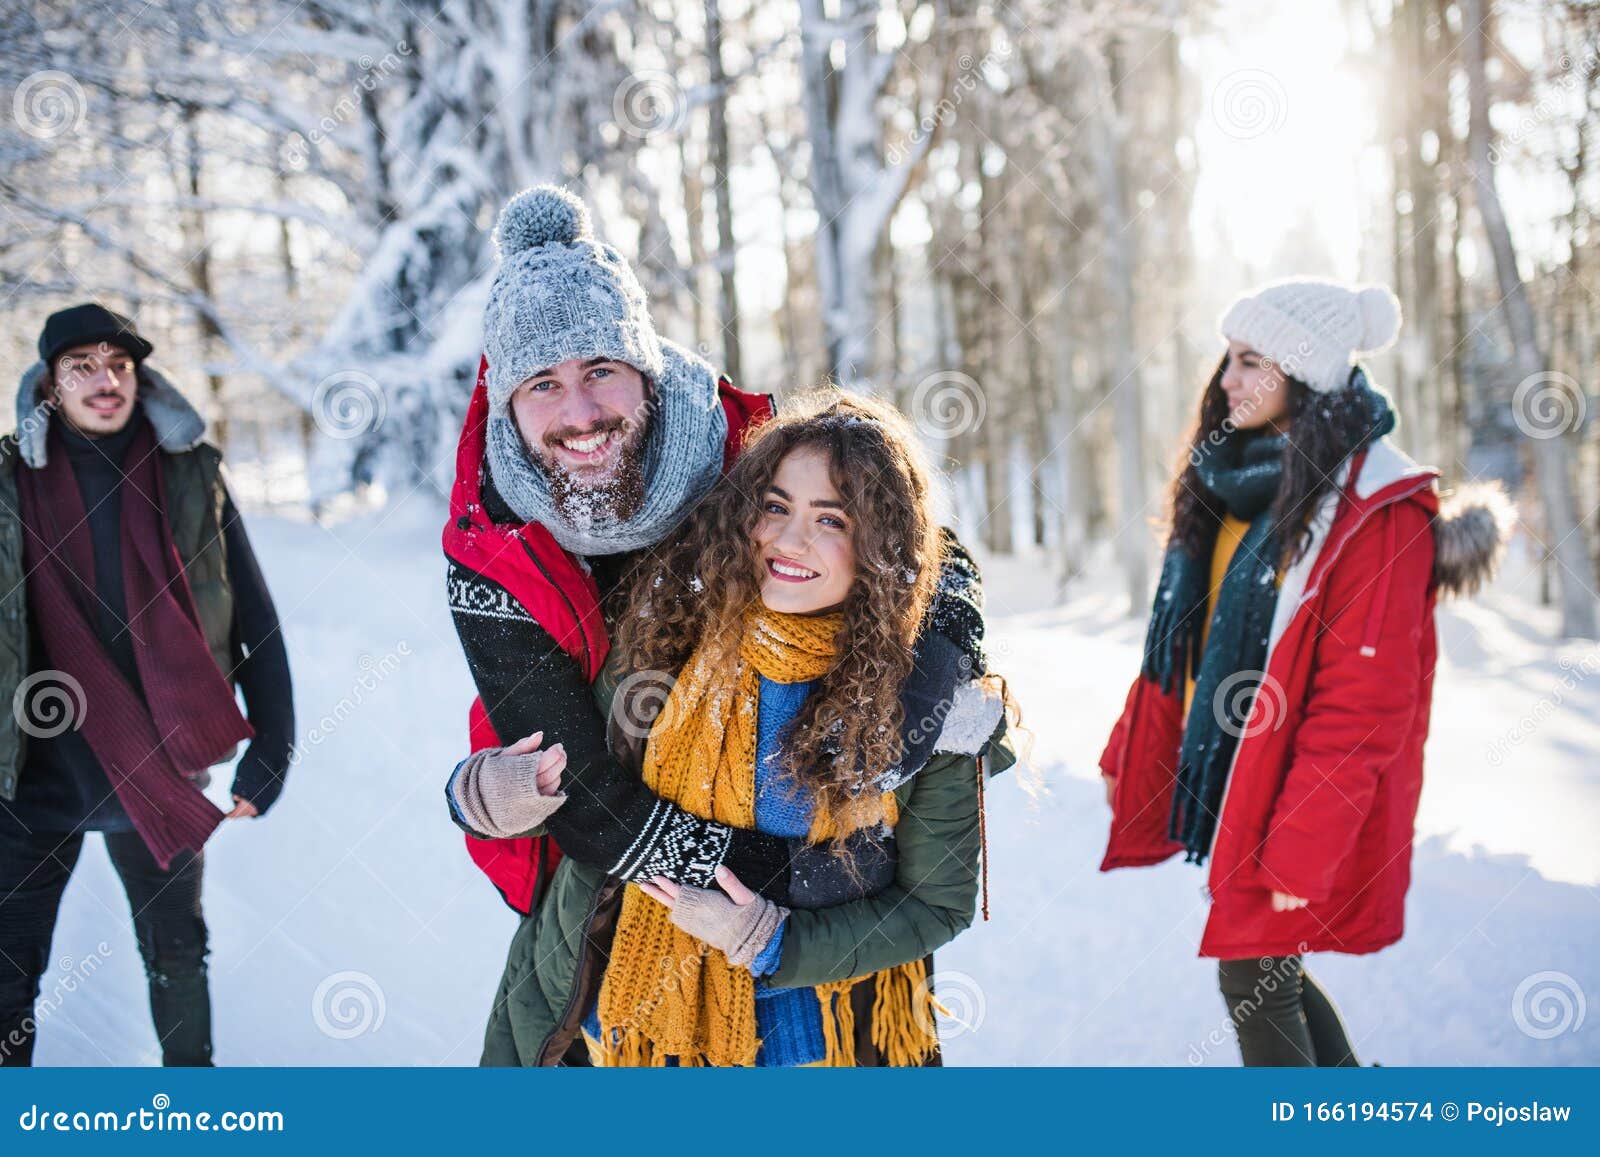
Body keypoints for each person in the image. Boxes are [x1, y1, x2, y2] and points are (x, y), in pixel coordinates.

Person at [441, 187, 998, 1061]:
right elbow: (585, 798)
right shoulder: (490, 551)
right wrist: (476, 796)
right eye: (543, 384)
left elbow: (912, 536)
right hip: (612, 915)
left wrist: (937, 666)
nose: (580, 413)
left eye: (601, 371)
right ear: (508, 402)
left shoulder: (742, 446)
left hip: (800, 978)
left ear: (646, 369)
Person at [1099, 279, 1511, 1066]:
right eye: (1227, 357)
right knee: (1266, 969)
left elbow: (1365, 707)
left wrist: (1301, 846)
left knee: (1250, 972)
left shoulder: (1375, 509)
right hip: (1235, 771)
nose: (1226, 379)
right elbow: (1179, 638)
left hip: (1287, 789)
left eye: (1251, 360)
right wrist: (1132, 751)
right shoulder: (1232, 480)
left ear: (1305, 371)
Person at [0, 304, 294, 1066]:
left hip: (157, 768)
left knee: (177, 958)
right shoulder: (7, 481)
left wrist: (274, 748)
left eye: (119, 364)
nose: (105, 381)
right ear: (50, 384)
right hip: (30, 780)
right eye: (83, 367)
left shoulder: (188, 472)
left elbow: (253, 614)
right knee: (8, 980)